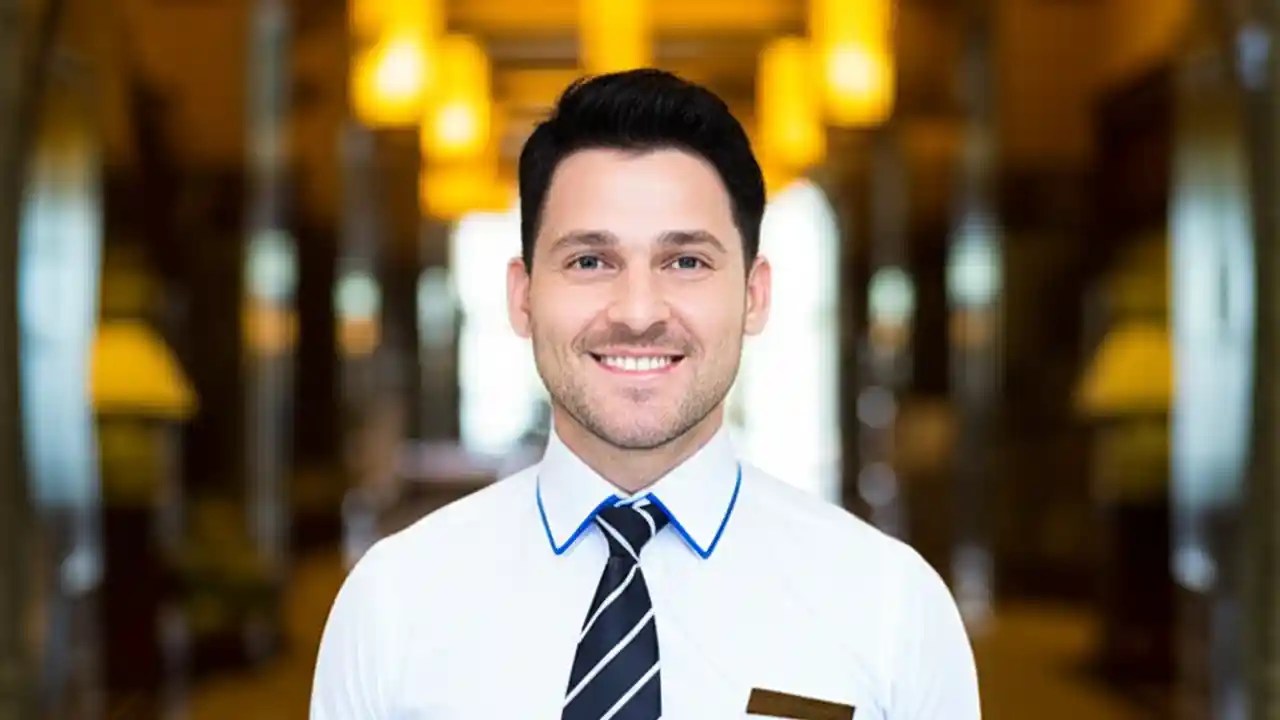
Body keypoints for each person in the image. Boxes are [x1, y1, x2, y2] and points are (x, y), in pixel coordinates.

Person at [311, 69, 981, 720]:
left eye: (686, 262)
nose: (637, 312)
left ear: (754, 295)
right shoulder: (394, 602)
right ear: (522, 297)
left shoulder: (890, 605)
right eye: (590, 261)